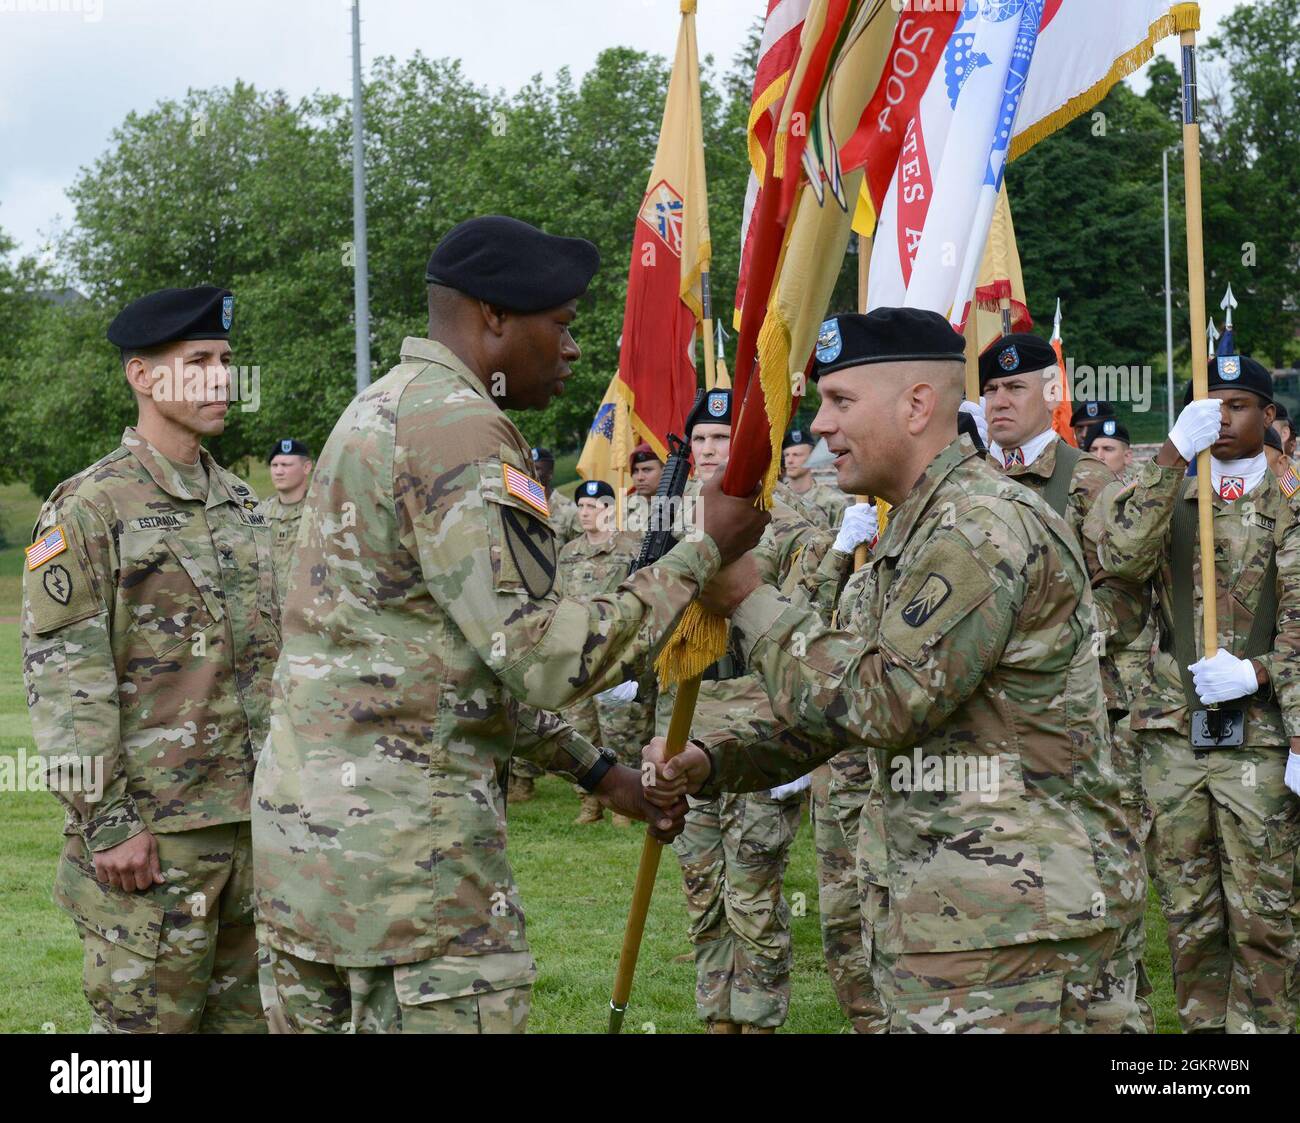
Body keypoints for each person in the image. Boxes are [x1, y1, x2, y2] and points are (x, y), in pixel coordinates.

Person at [252, 215, 768, 1034]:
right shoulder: (458, 429)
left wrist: (603, 776)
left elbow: (446, 665)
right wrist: (703, 549)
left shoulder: (380, 409)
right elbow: (542, 658)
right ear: (494, 317)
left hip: (313, 858)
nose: (571, 349)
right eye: (559, 325)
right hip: (414, 878)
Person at [645, 308, 1142, 1034]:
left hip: (1017, 933)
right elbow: (840, 710)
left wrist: (751, 598)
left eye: (841, 401)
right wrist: (710, 759)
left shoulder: (980, 527)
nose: (818, 425)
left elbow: (884, 701)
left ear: (917, 404)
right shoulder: (911, 531)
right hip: (961, 922)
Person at [21, 285, 279, 1033]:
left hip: (251, 839)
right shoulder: (90, 507)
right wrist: (106, 824)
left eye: (226, 361)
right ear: (143, 376)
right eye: (197, 361)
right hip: (152, 846)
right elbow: (67, 680)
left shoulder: (240, 503)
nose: (220, 378)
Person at [1093, 355, 1300, 1034]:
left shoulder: (1292, 497)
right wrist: (1170, 455)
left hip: (1265, 735)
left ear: (1270, 417)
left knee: (1267, 917)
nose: (1224, 417)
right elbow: (1119, 557)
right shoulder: (1173, 493)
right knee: (1190, 918)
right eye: (1210, 405)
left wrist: (1261, 671)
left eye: (1239, 404)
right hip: (1174, 733)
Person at [979, 334, 1152, 1032]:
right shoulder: (967, 479)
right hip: (991, 730)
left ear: (1051, 395)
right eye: (991, 389)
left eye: (1015, 389)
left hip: (1077, 726)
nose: (999, 401)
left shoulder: (1086, 479)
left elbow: (1129, 592)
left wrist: (1056, 640)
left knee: (1100, 900)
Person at [662, 386, 847, 1034]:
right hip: (684, 732)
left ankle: (761, 1019)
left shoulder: (789, 526)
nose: (714, 452)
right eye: (704, 441)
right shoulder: (667, 524)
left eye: (726, 441)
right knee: (702, 894)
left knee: (753, 892)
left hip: (762, 726)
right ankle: (718, 1018)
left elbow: (801, 627)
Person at [558, 479, 646, 826]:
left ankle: (624, 804)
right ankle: (589, 802)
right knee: (578, 731)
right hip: (575, 652)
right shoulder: (568, 553)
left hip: (613, 653)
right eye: (581, 506)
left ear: (609, 509)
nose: (584, 513)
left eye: (592, 507)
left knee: (620, 729)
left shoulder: (631, 548)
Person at [259, 438, 313, 601]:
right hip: (269, 613)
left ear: (306, 467)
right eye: (274, 465)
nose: (278, 471)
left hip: (308, 610)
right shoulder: (259, 513)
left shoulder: (320, 511)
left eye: (286, 465)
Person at [781, 428, 848, 532]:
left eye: (797, 455)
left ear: (812, 457)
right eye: (786, 455)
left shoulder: (833, 502)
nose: (789, 460)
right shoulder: (775, 499)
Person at [531, 446, 580, 543]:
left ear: (550, 473)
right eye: (529, 468)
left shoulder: (569, 511)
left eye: (537, 469)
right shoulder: (522, 507)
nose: (531, 474)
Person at [626, 442, 664, 533]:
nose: (640, 477)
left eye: (647, 470)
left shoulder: (680, 504)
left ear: (665, 471)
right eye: (635, 471)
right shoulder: (620, 508)